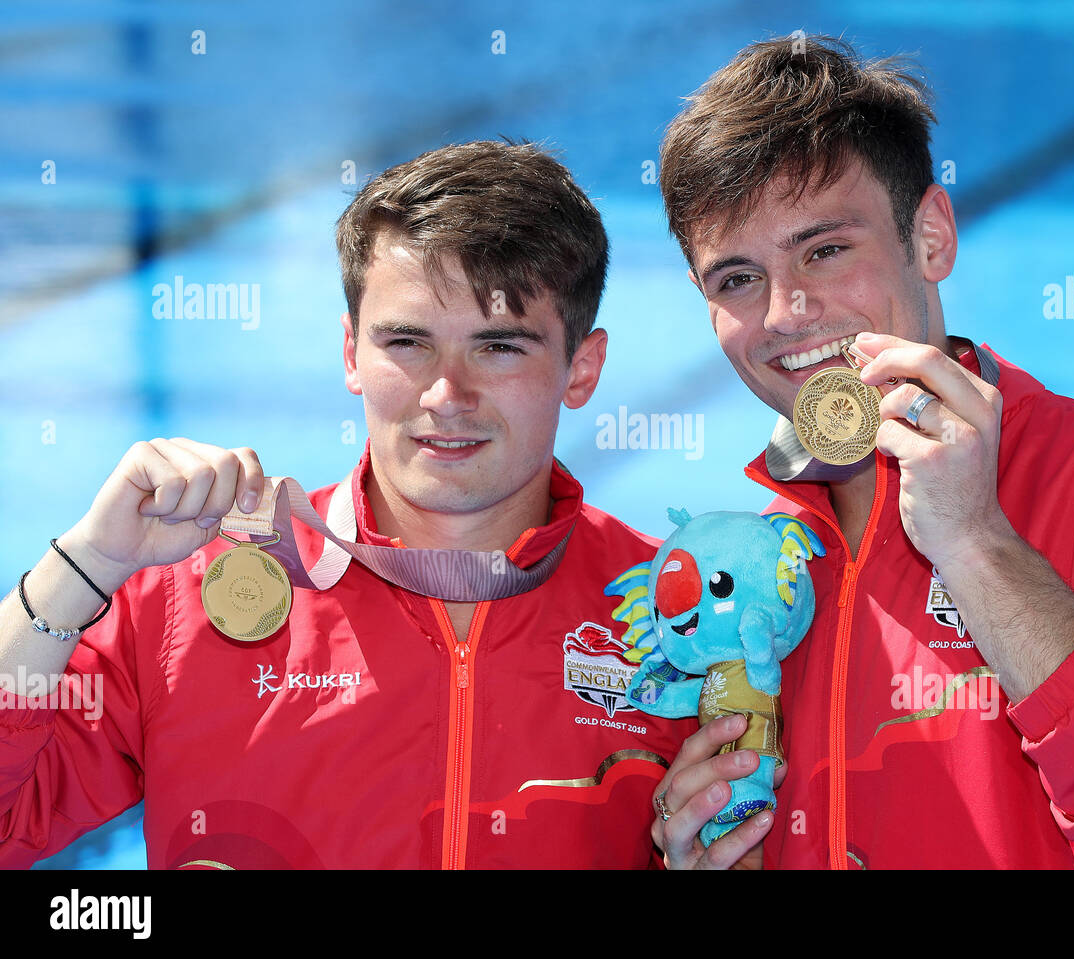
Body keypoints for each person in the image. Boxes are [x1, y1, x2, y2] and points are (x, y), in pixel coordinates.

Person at [647, 36, 1074, 869]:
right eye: (736, 278)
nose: (784, 311)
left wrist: (977, 544)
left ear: (931, 238)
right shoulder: (745, 573)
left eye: (825, 250)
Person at [0, 140, 689, 869]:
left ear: (583, 368)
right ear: (351, 353)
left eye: (498, 347)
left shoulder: (680, 614)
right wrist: (85, 564)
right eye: (407, 342)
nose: (444, 395)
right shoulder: (185, 601)